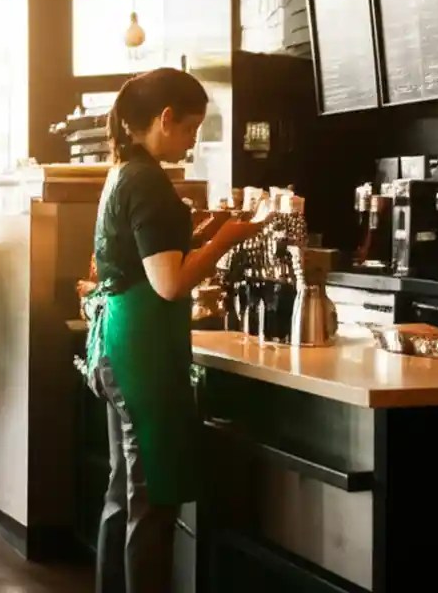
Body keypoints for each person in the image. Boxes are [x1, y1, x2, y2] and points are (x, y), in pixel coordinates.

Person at [82, 68, 262, 593]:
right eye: (190, 128)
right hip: (143, 351)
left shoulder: (124, 172)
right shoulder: (148, 180)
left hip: (120, 342)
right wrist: (228, 237)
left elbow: (147, 257)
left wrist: (204, 229)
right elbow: (169, 281)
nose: (192, 140)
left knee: (124, 491)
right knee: (152, 496)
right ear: (164, 119)